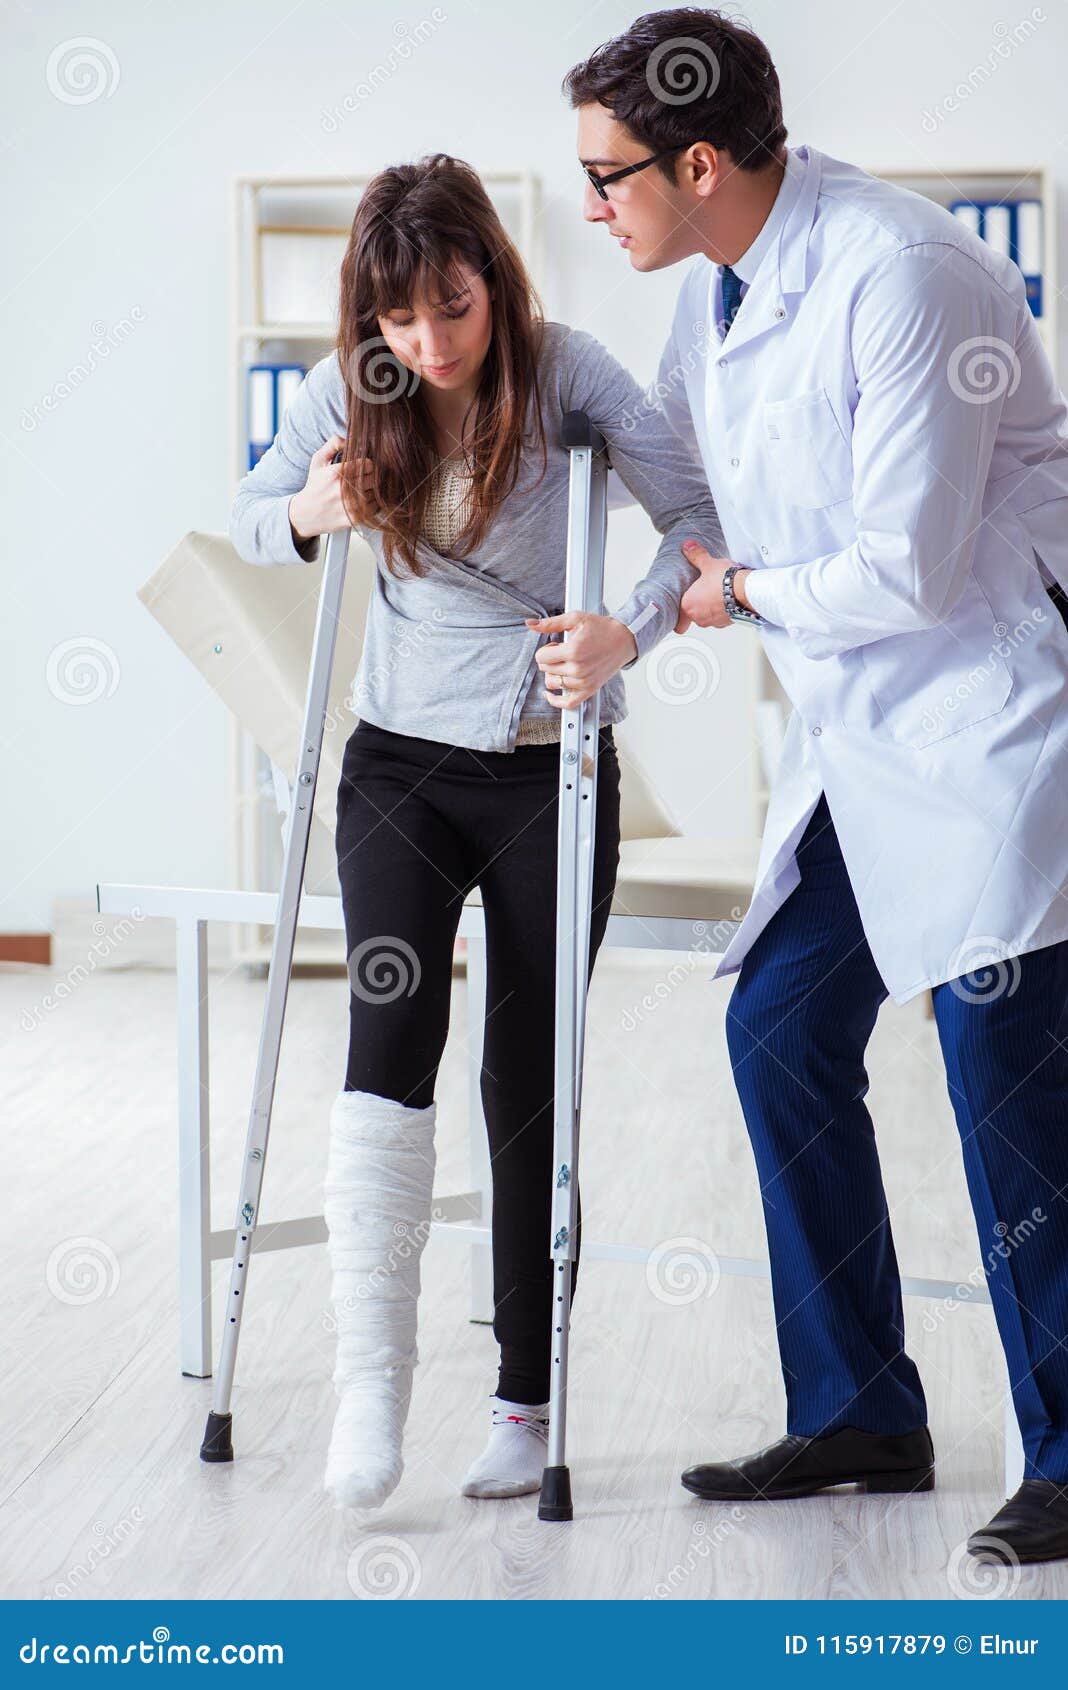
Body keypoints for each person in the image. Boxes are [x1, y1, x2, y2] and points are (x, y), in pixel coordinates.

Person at [564, 8, 1068, 1562]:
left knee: (1007, 1080)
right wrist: (632, 626)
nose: (595, 207)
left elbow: (909, 568)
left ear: (697, 160)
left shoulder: (902, 274)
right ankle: (860, 1403)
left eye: (609, 178)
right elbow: (701, 507)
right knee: (780, 1022)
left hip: (988, 715)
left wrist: (729, 599)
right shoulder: (714, 298)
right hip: (861, 732)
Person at [228, 153, 722, 1509]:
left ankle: (523, 1397)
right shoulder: (355, 387)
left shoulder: (568, 375)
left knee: (526, 1076)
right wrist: (304, 511)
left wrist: (628, 629)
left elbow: (698, 523)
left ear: (492, 281)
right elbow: (245, 520)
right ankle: (368, 1388)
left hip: (544, 764)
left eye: (453, 307)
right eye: (400, 320)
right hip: (398, 768)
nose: (430, 345)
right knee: (388, 1038)